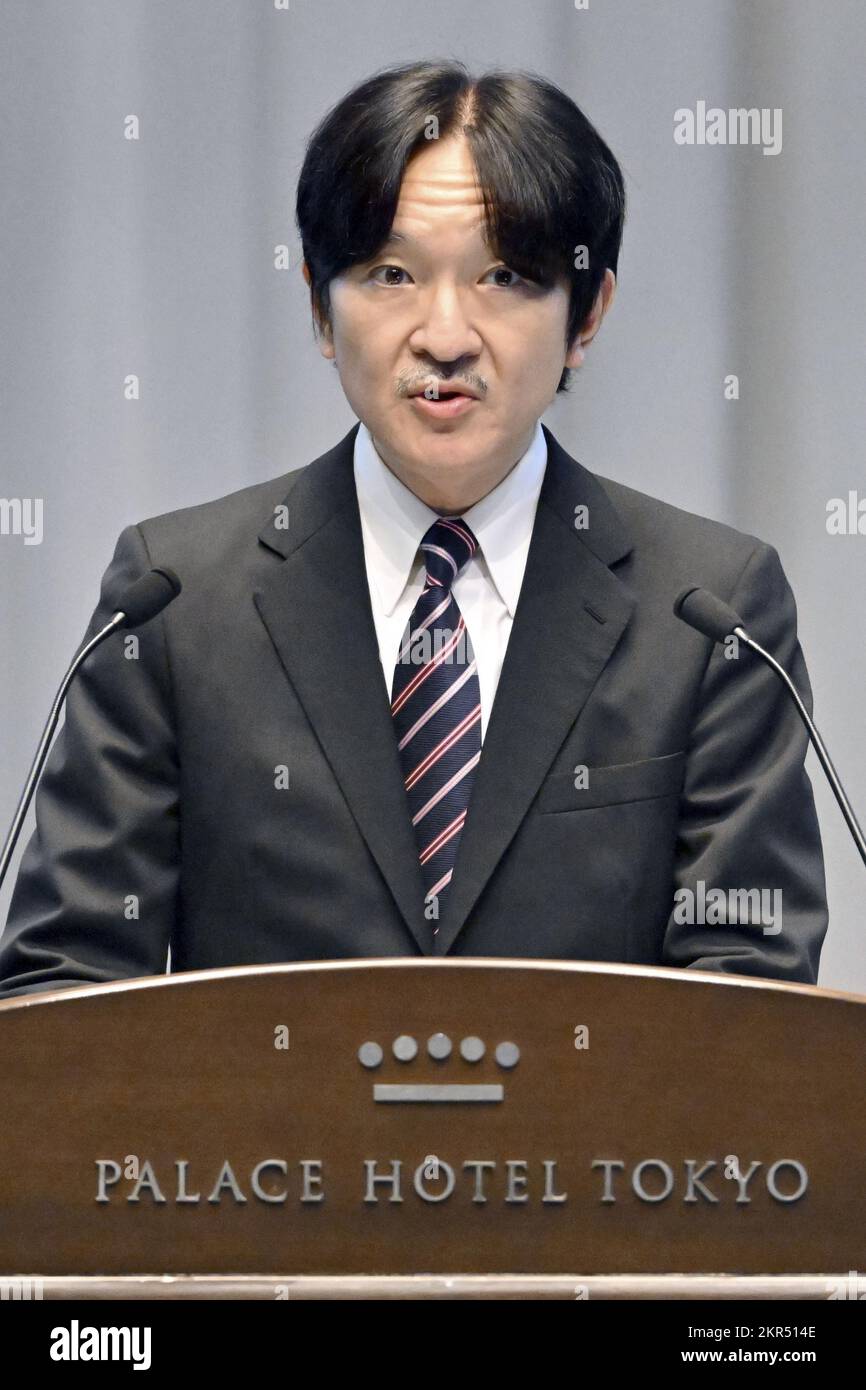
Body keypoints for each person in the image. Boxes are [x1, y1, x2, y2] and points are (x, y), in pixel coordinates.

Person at [0, 60, 827, 997]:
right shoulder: (174, 601)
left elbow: (750, 1010)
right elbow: (62, 993)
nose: (444, 334)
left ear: (587, 313)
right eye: (390, 274)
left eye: (505, 276)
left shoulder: (711, 611)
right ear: (319, 303)